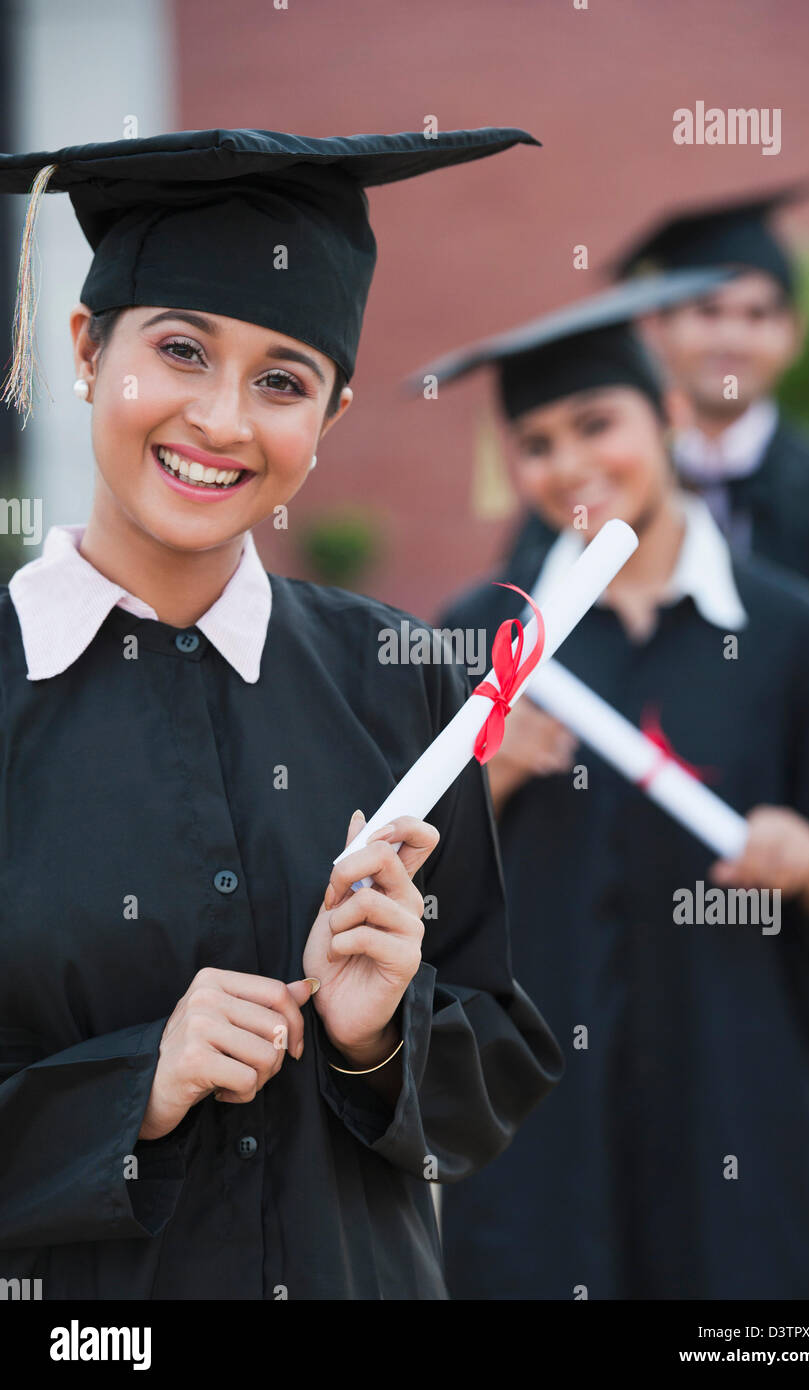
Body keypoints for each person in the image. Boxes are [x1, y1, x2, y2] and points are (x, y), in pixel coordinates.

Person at [0, 126, 563, 1301]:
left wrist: (380, 1040)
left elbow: (491, 1076)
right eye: (181, 350)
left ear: (331, 416)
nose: (220, 419)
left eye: (281, 381)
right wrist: (133, 1086)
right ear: (86, 351)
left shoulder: (402, 677)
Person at [417, 276, 809, 1299]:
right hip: (536, 1123)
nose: (570, 465)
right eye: (535, 443)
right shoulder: (473, 645)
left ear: (668, 415)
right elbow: (407, 895)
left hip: (740, 1102)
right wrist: (481, 781)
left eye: (595, 423)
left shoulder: (796, 635)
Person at [613, 186, 809, 626]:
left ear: (794, 333)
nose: (732, 339)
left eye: (757, 315)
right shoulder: (607, 486)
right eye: (709, 312)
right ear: (655, 327)